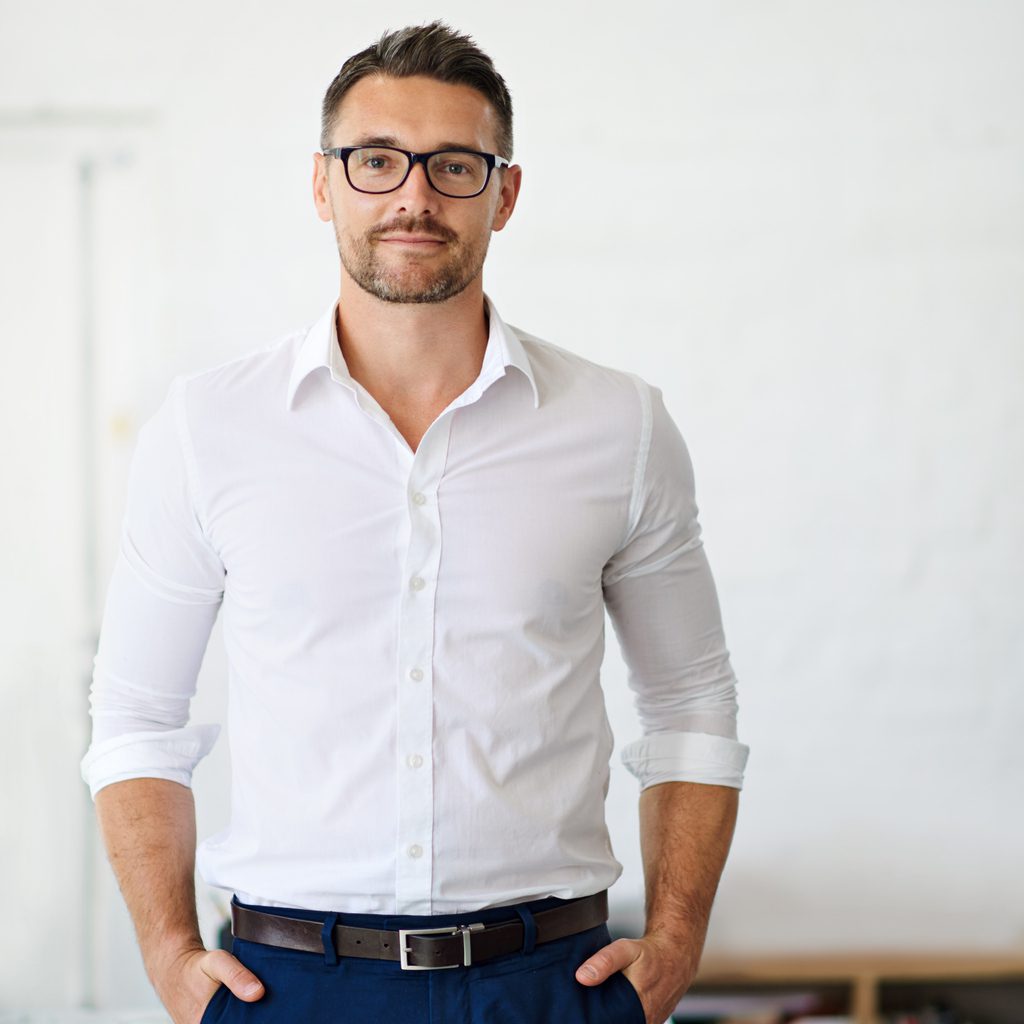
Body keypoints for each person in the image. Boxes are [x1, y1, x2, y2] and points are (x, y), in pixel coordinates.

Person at [80, 21, 749, 1024]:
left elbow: (693, 704)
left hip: (548, 983)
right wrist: (171, 954)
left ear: (504, 193)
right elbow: (134, 717)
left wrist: (675, 942)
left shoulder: (620, 425)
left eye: (453, 165)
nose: (413, 197)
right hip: (290, 984)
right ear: (322, 185)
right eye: (377, 161)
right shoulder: (209, 429)